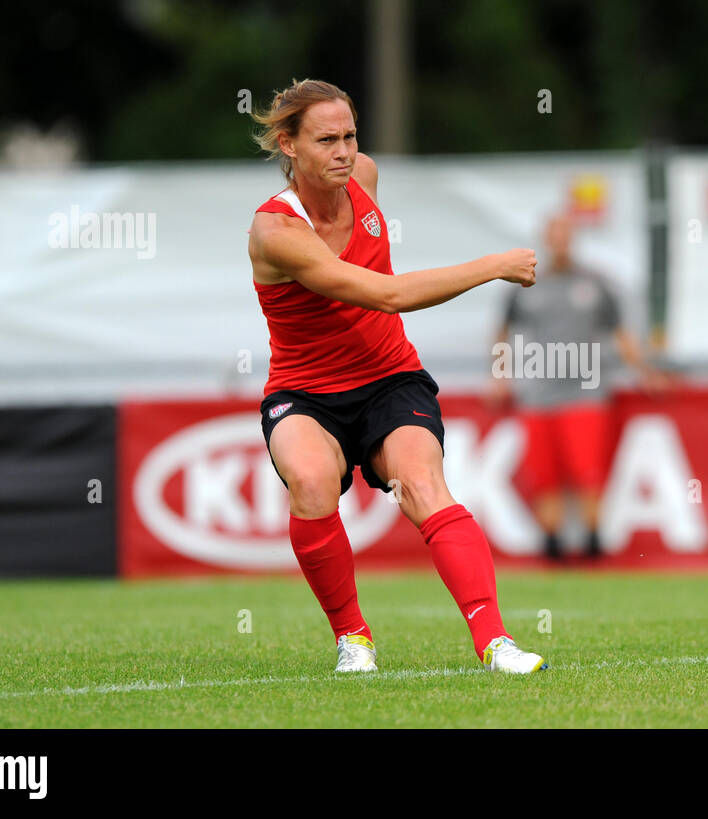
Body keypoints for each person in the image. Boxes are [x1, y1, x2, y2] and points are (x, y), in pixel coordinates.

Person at [247, 79, 546, 674]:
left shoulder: (366, 177)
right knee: (310, 482)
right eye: (325, 140)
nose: (343, 152)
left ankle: (495, 643)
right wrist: (493, 265)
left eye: (350, 136)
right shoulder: (276, 231)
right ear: (288, 145)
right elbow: (386, 295)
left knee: (423, 486)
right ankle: (353, 639)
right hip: (305, 394)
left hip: (389, 379)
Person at [492, 213, 668, 560]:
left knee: (587, 471)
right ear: (544, 238)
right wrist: (499, 375)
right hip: (538, 395)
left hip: (585, 394)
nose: (559, 242)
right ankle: (552, 543)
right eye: (553, 235)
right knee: (544, 476)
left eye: (564, 235)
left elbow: (621, 334)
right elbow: (503, 332)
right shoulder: (524, 284)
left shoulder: (595, 283)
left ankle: (592, 540)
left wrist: (645, 372)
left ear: (572, 239)